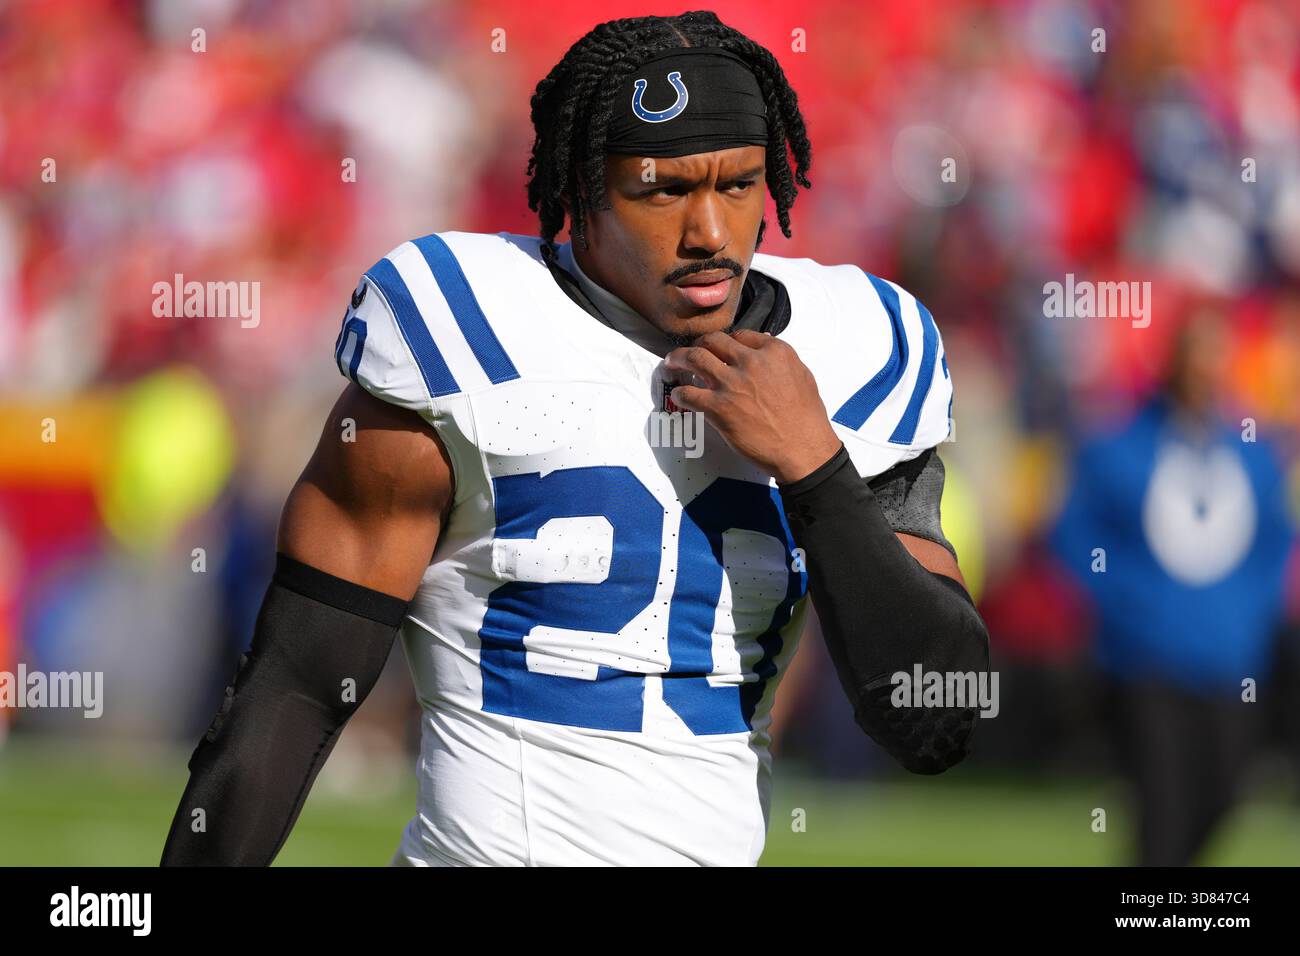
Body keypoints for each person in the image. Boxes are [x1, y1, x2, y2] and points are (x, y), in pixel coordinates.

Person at [161, 10, 989, 867]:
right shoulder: (464, 327)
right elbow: (295, 689)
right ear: (584, 190)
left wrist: (816, 467)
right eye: (662, 190)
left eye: (739, 186)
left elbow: (936, 718)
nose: (708, 233)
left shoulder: (859, 347)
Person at [1052, 308, 1295, 866]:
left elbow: (1274, 546)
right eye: (1195, 352)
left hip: (1230, 664)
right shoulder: (1118, 446)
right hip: (1147, 665)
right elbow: (1073, 534)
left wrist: (1251, 617)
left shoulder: (1253, 456)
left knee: (1225, 796)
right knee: (1162, 811)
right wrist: (1123, 607)